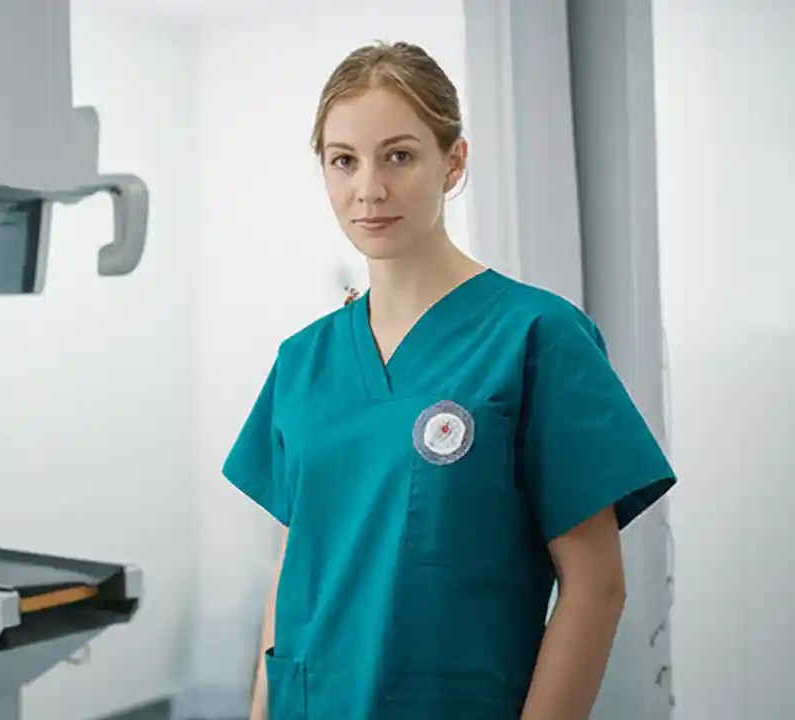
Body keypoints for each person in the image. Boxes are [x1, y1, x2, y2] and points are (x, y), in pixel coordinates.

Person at [223, 40, 677, 719]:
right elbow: (294, 571)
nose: (368, 188)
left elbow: (596, 587)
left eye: (399, 156)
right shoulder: (303, 361)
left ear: (453, 162)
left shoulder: (536, 337)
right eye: (343, 160)